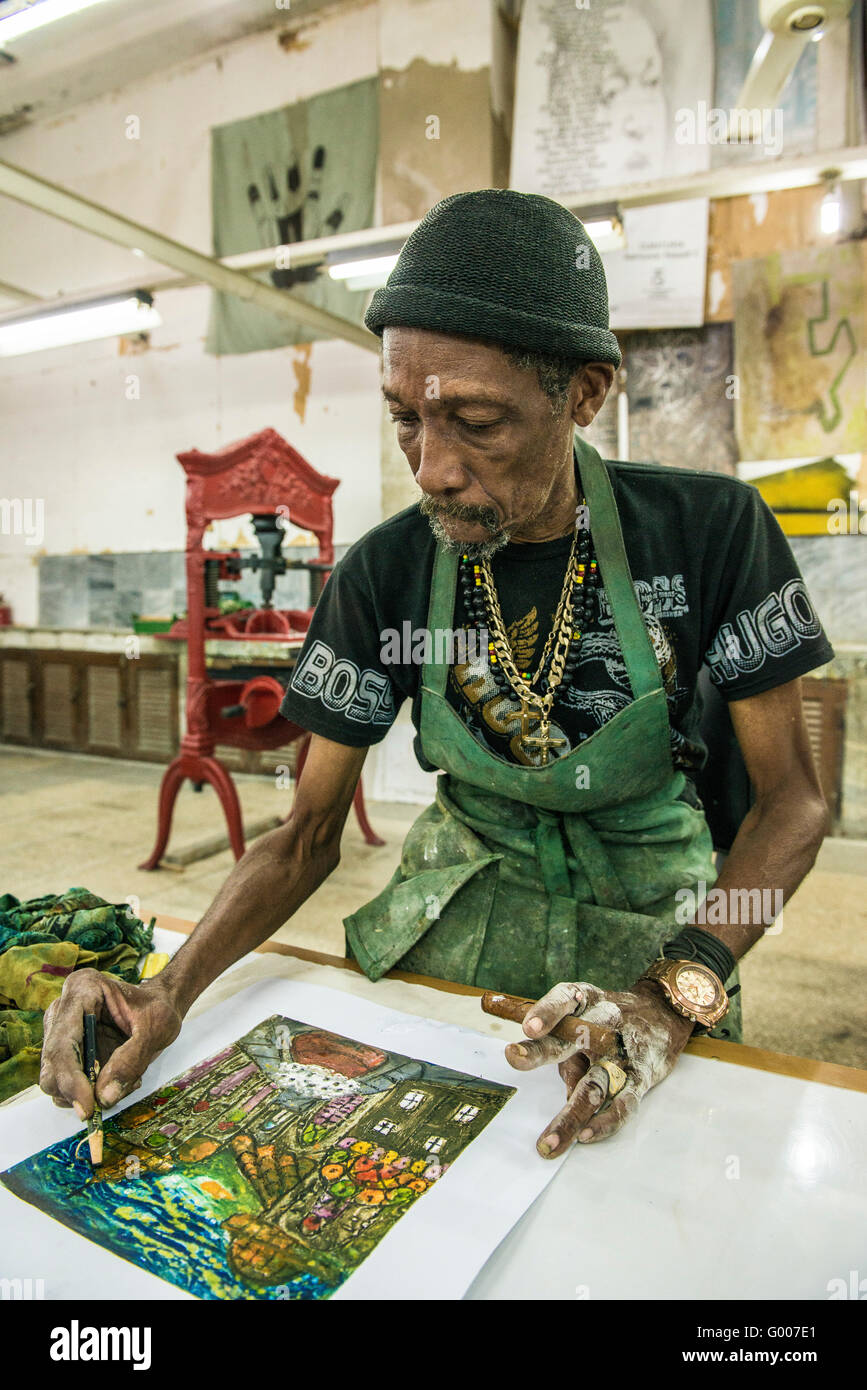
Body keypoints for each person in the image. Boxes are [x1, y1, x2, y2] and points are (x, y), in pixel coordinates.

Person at [40, 190, 832, 1157]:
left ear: (584, 393)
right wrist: (168, 989)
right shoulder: (385, 573)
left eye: (476, 421)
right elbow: (306, 835)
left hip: (659, 926)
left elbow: (792, 802)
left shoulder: (708, 533)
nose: (430, 468)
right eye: (405, 419)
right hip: (458, 909)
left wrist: (676, 995)